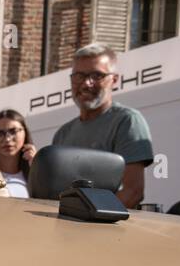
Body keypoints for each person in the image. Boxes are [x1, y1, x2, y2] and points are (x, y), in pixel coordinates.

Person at [51, 43, 153, 210]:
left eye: (96, 75)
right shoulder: (63, 133)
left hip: (105, 232)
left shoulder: (127, 121)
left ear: (114, 80)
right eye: (79, 76)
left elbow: (132, 192)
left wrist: (90, 224)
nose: (86, 84)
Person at [0, 109, 36, 198]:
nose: (7, 139)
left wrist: (36, 167)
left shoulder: (35, 172)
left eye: (13, 131)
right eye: (0, 134)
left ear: (25, 133)